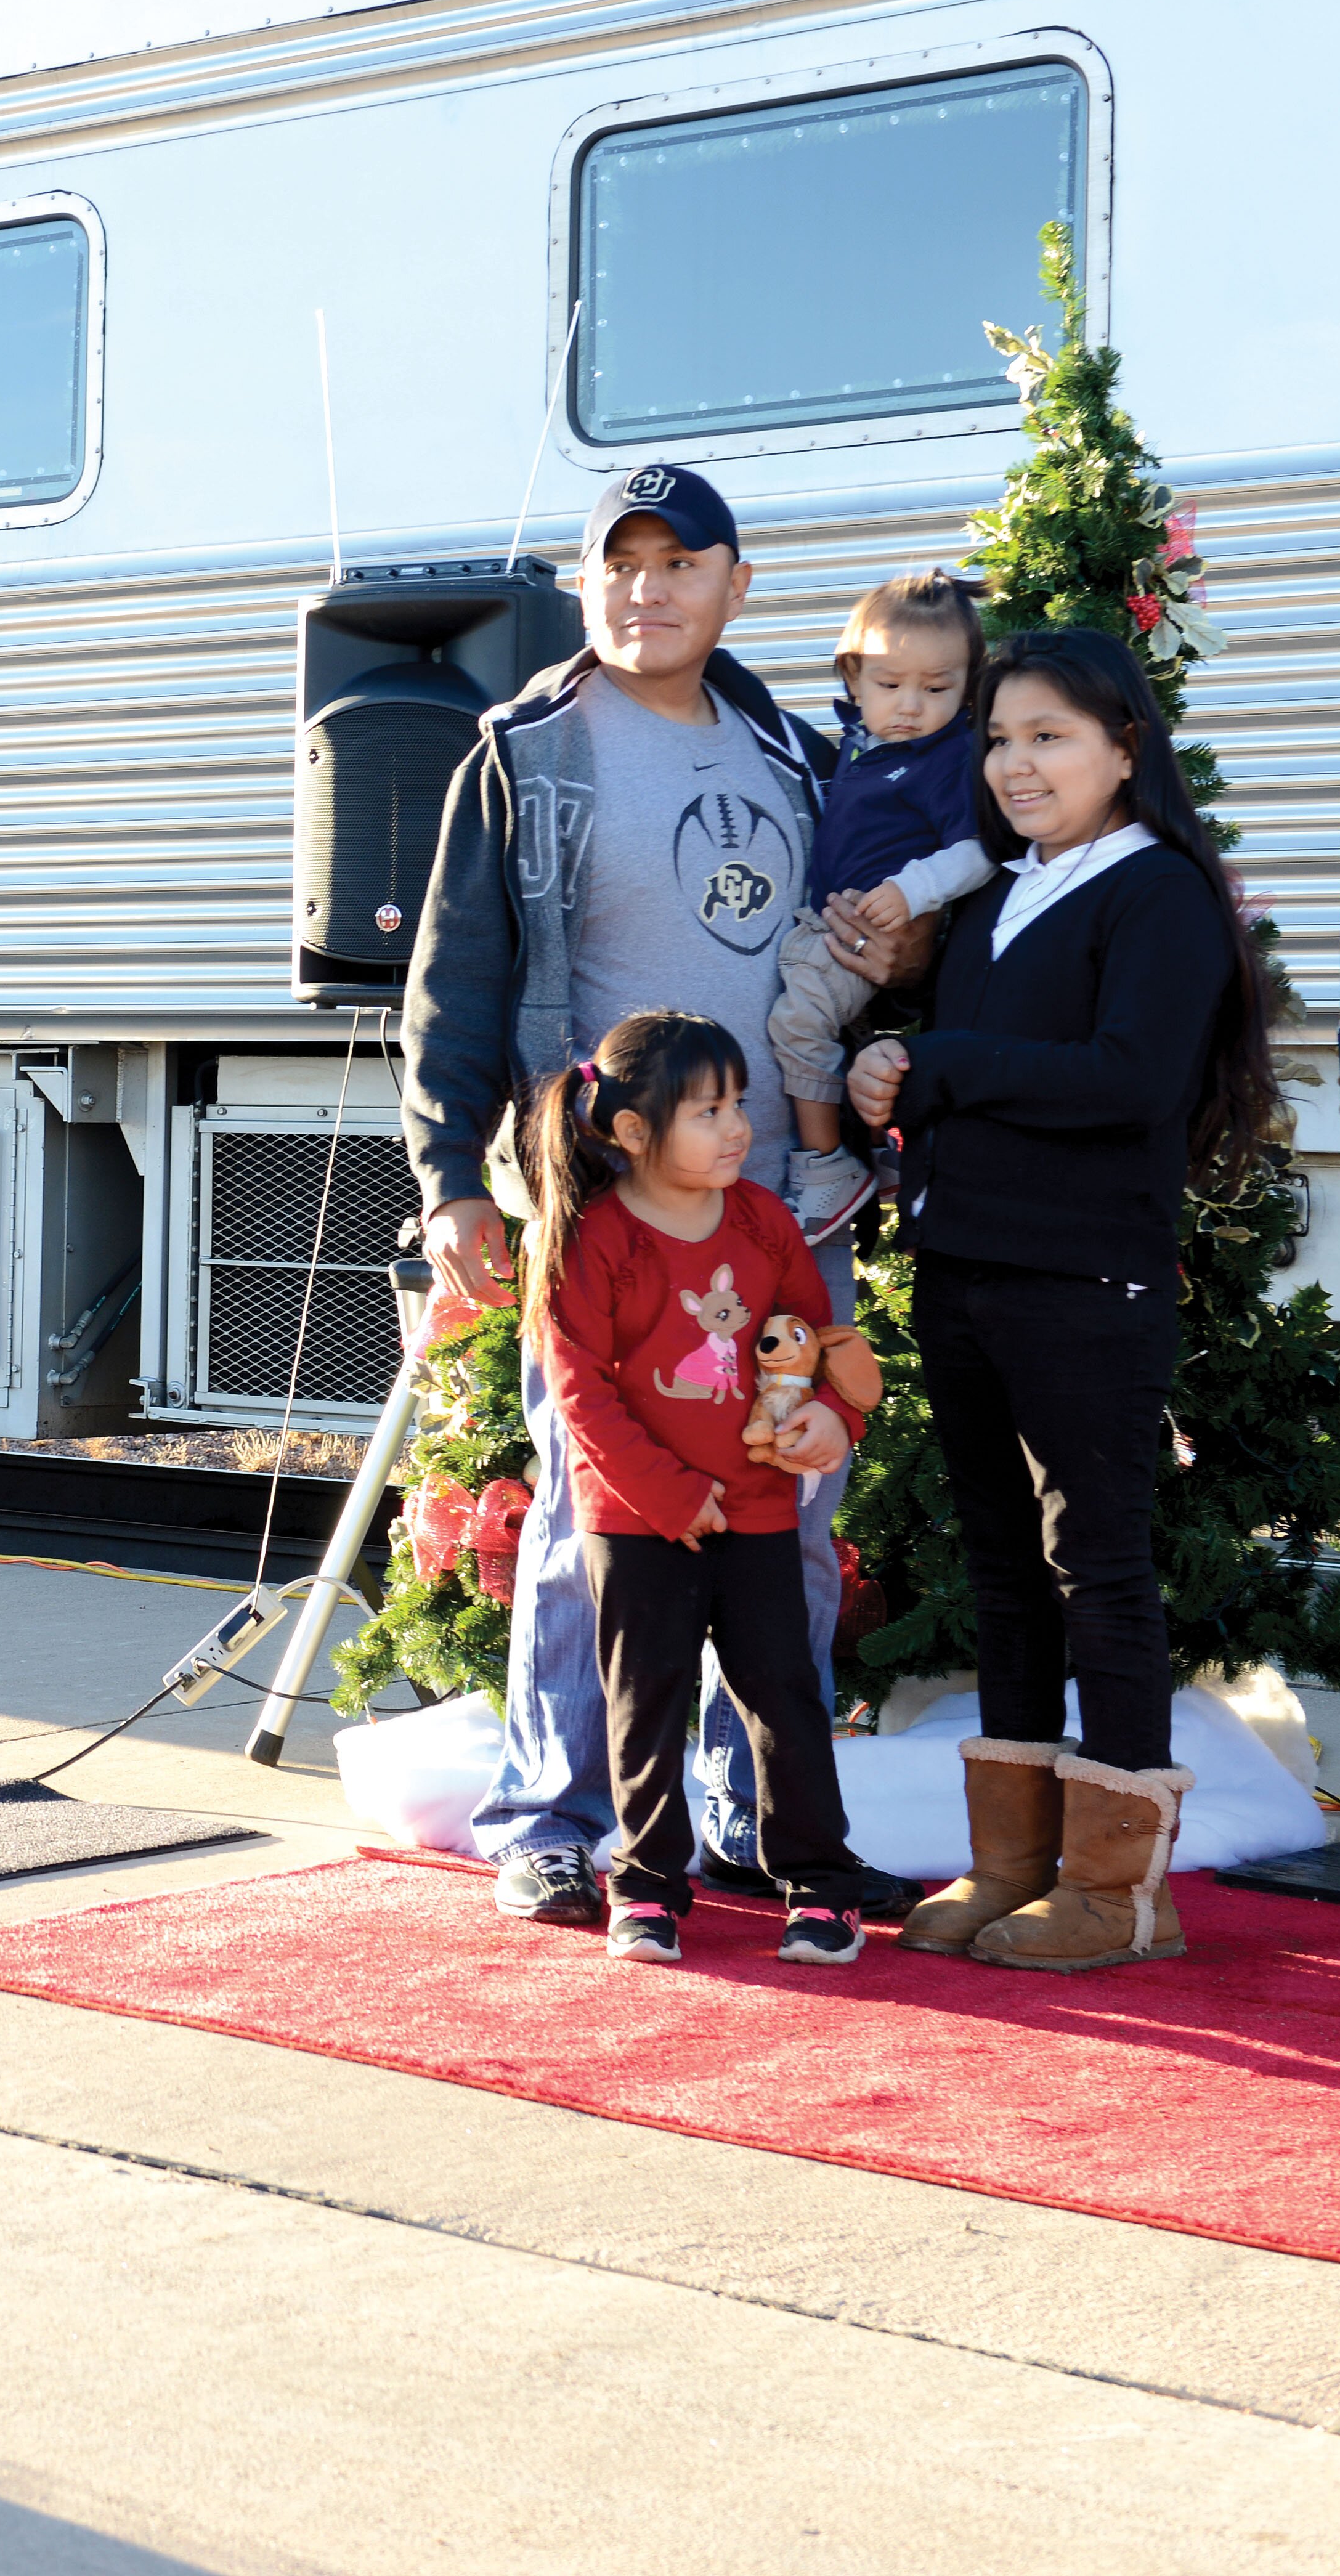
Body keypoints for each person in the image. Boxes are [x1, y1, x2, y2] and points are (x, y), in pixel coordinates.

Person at [399, 463, 920, 1914]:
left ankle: (758, 1815)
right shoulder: (527, 748)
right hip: (613, 1219)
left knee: (788, 1516)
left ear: (735, 584)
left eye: (679, 561)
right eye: (617, 562)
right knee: (594, 1528)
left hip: (774, 1214)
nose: (646, 588)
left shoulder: (798, 752)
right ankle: (554, 1823)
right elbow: (457, 986)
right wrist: (455, 1175)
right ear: (585, 584)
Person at [843, 624, 1280, 1974]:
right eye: (997, 737)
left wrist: (943, 1060)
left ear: (1122, 750)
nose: (1014, 763)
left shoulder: (1155, 893)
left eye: (1048, 736)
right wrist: (885, 1075)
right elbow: (950, 1066)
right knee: (999, 1571)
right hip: (964, 1269)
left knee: (1097, 1568)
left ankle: (1120, 1889)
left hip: (1085, 1278)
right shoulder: (995, 895)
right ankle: (1015, 1864)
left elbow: (1128, 1077)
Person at [511, 1010, 873, 1964]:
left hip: (757, 1508)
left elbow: (816, 1341)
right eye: (708, 1110)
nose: (737, 1127)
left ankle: (822, 1888)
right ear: (632, 1132)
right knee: (647, 1702)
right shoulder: (590, 1241)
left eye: (739, 1104)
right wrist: (668, 1497)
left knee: (783, 1695)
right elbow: (579, 1392)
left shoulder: (763, 1221)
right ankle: (647, 1889)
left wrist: (834, 1418)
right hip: (638, 1523)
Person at [768, 572, 994, 1233]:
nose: (910, 706)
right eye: (889, 684)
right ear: (852, 677)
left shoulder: (948, 758)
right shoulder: (859, 746)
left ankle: (823, 1166)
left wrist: (912, 889)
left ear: (968, 686)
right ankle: (879, 1152)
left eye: (936, 687)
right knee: (827, 1028)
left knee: (796, 1024)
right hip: (828, 922)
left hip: (870, 925)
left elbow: (980, 849)